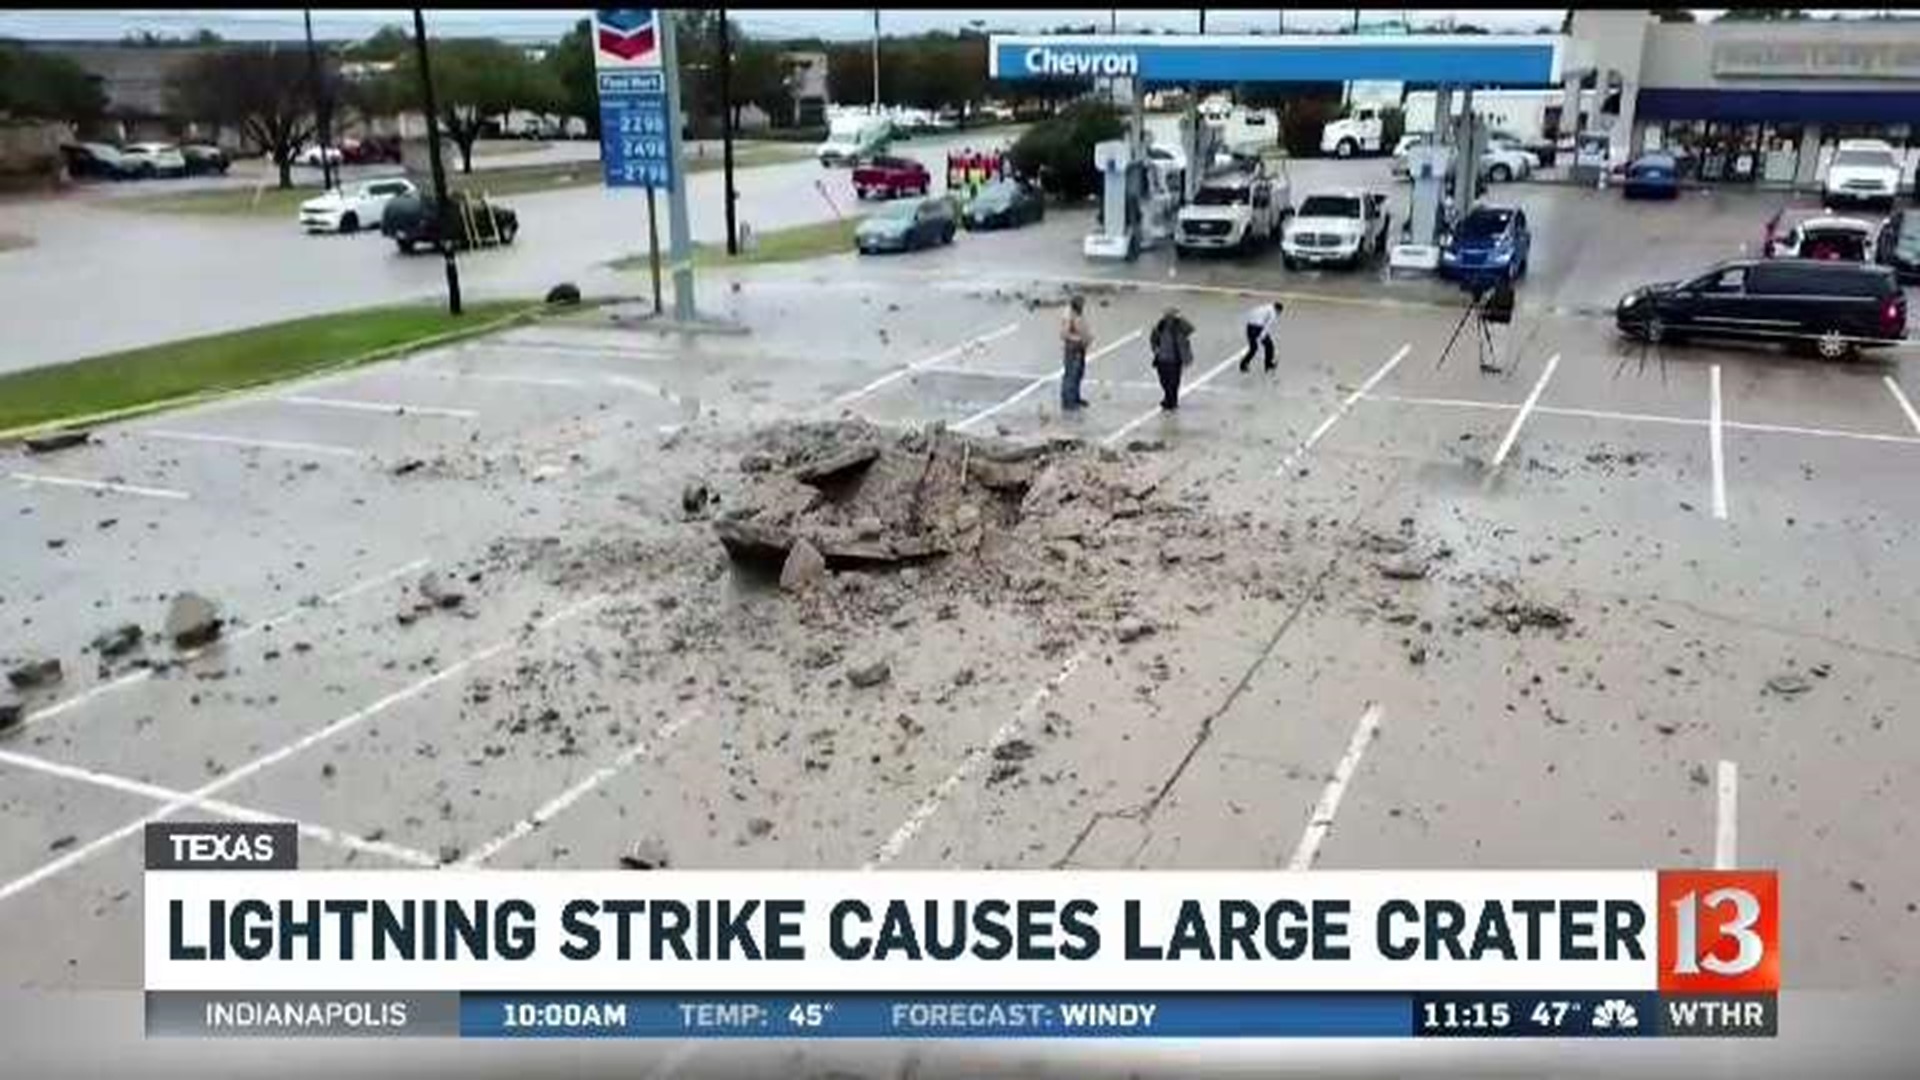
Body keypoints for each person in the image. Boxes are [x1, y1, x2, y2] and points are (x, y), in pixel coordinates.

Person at [1149, 306, 1194, 411]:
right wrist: (1155, 349)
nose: (1168, 318)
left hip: (1175, 359)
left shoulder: (1180, 326)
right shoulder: (1160, 325)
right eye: (1167, 316)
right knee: (1164, 381)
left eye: (1171, 316)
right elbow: (1153, 338)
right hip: (1162, 359)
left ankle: (1171, 401)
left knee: (1173, 382)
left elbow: (1191, 329)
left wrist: (1181, 319)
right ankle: (1169, 398)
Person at [1059, 295, 1093, 412]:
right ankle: (1068, 401)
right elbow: (1064, 334)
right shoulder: (1068, 316)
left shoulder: (1078, 314)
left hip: (1080, 348)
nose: (1083, 306)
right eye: (1081, 304)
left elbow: (1082, 328)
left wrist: (1087, 338)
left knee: (1078, 374)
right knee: (1071, 375)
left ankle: (1076, 398)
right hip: (1073, 348)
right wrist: (1079, 339)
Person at [1240, 300, 1283, 372]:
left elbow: (1252, 313)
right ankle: (1268, 365)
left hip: (1250, 326)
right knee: (1269, 346)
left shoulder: (1266, 307)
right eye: (1279, 312)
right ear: (1278, 310)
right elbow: (1267, 326)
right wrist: (1262, 336)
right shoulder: (1273, 313)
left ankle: (1243, 365)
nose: (1279, 314)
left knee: (1253, 348)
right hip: (1257, 328)